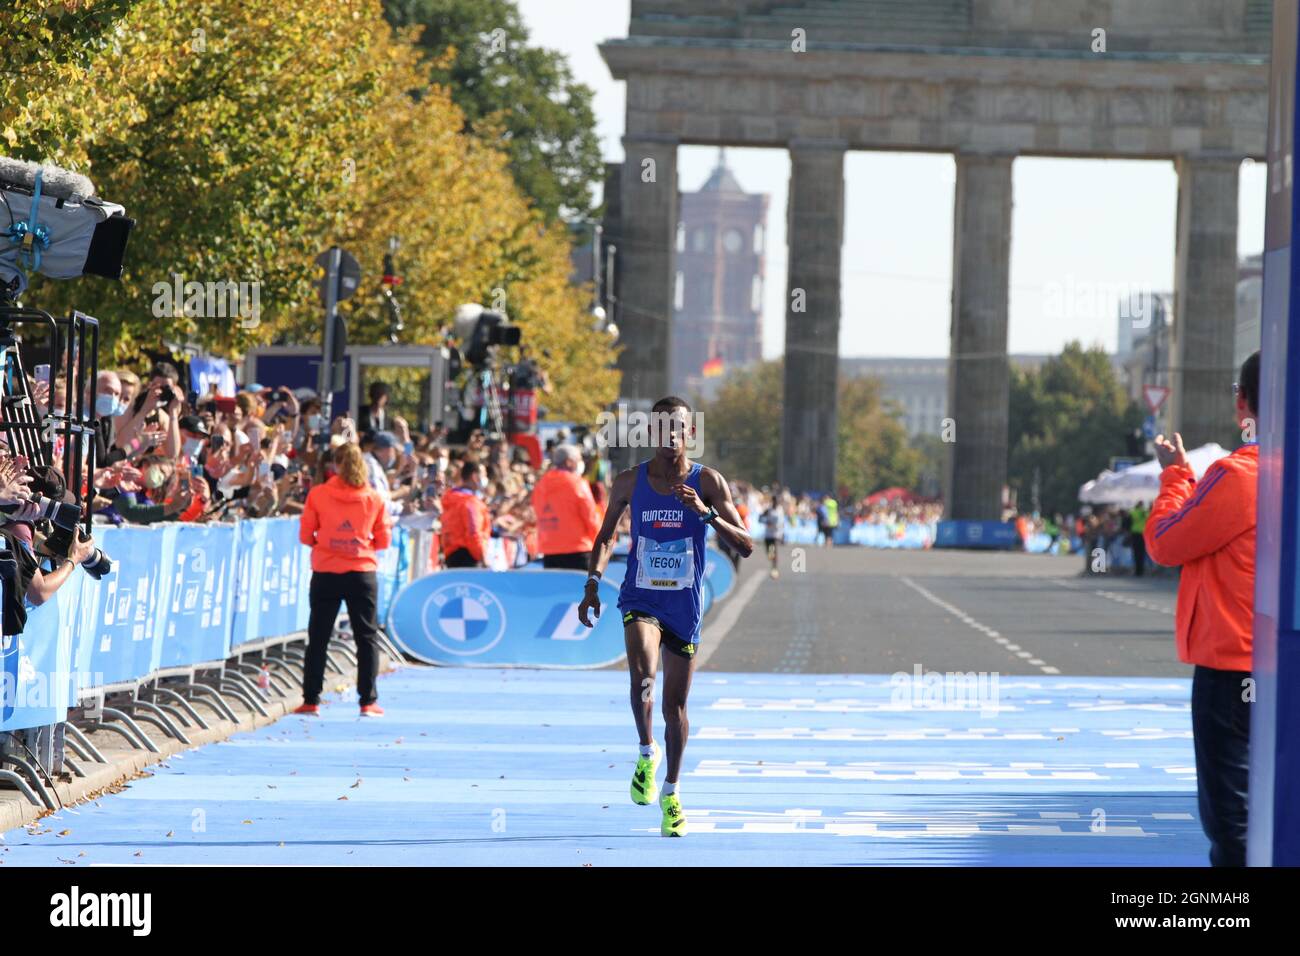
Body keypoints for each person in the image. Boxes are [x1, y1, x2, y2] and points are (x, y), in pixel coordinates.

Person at [578, 396, 752, 837]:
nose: (670, 433)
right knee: (643, 674)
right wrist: (593, 584)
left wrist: (706, 514)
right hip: (641, 597)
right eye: (661, 427)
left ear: (690, 433)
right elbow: (604, 537)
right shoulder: (628, 481)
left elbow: (746, 544)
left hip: (685, 605)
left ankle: (671, 792)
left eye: (678, 426)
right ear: (651, 433)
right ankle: (645, 750)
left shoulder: (708, 482)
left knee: (676, 705)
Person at [1144, 350, 1260, 867]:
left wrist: (1176, 477)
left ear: (1243, 404)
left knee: (1232, 817)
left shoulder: (1237, 475)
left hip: (1232, 669)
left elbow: (1167, 543)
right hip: (1284, 663)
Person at [296, 442, 390, 718]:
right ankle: (368, 701)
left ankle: (311, 700)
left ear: (335, 465)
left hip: (326, 570)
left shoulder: (318, 494)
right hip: (361, 570)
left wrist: (325, 543)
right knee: (366, 637)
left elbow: (305, 536)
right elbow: (384, 540)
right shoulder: (373, 498)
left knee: (319, 636)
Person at [532, 444, 601, 570]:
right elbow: (591, 517)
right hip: (578, 550)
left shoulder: (541, 485)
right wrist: (601, 543)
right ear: (569, 462)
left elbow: (538, 512)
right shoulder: (577, 484)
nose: (582, 463)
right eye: (579, 459)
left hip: (549, 551)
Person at [440, 459, 491, 568]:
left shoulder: (451, 498)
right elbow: (473, 532)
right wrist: (482, 557)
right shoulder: (470, 502)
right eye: (484, 475)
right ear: (475, 476)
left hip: (451, 555)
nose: (486, 479)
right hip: (469, 557)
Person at [760, 499, 784, 579]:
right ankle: (772, 561)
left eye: (776, 502)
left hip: (776, 535)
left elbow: (782, 522)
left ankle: (774, 569)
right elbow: (760, 518)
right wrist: (766, 521)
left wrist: (782, 534)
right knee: (769, 553)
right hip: (768, 534)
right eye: (774, 502)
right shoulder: (768, 510)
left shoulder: (780, 510)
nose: (775, 504)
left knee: (774, 550)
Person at [1127, 501, 1149, 576]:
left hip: (1135, 534)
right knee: (1142, 553)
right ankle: (1141, 570)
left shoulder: (1133, 512)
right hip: (1143, 534)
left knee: (1136, 553)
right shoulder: (1145, 513)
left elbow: (1128, 523)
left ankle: (1137, 571)